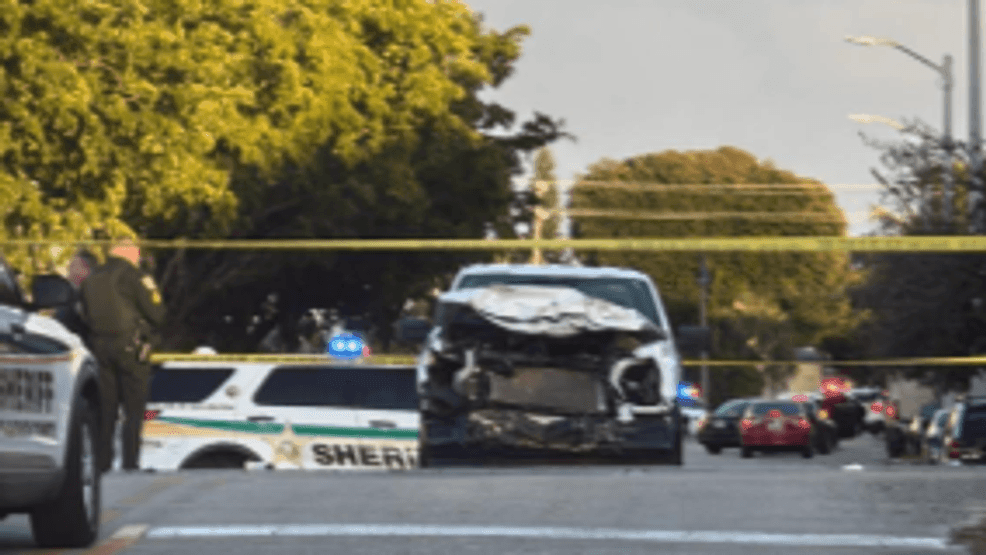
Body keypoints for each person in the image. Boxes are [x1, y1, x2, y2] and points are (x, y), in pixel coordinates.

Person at [80, 237, 166, 473]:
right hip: (131, 349)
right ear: (130, 252)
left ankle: (102, 463)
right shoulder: (135, 276)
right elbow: (157, 313)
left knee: (105, 411)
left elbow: (85, 315)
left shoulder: (91, 279)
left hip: (99, 349)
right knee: (133, 411)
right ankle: (130, 463)